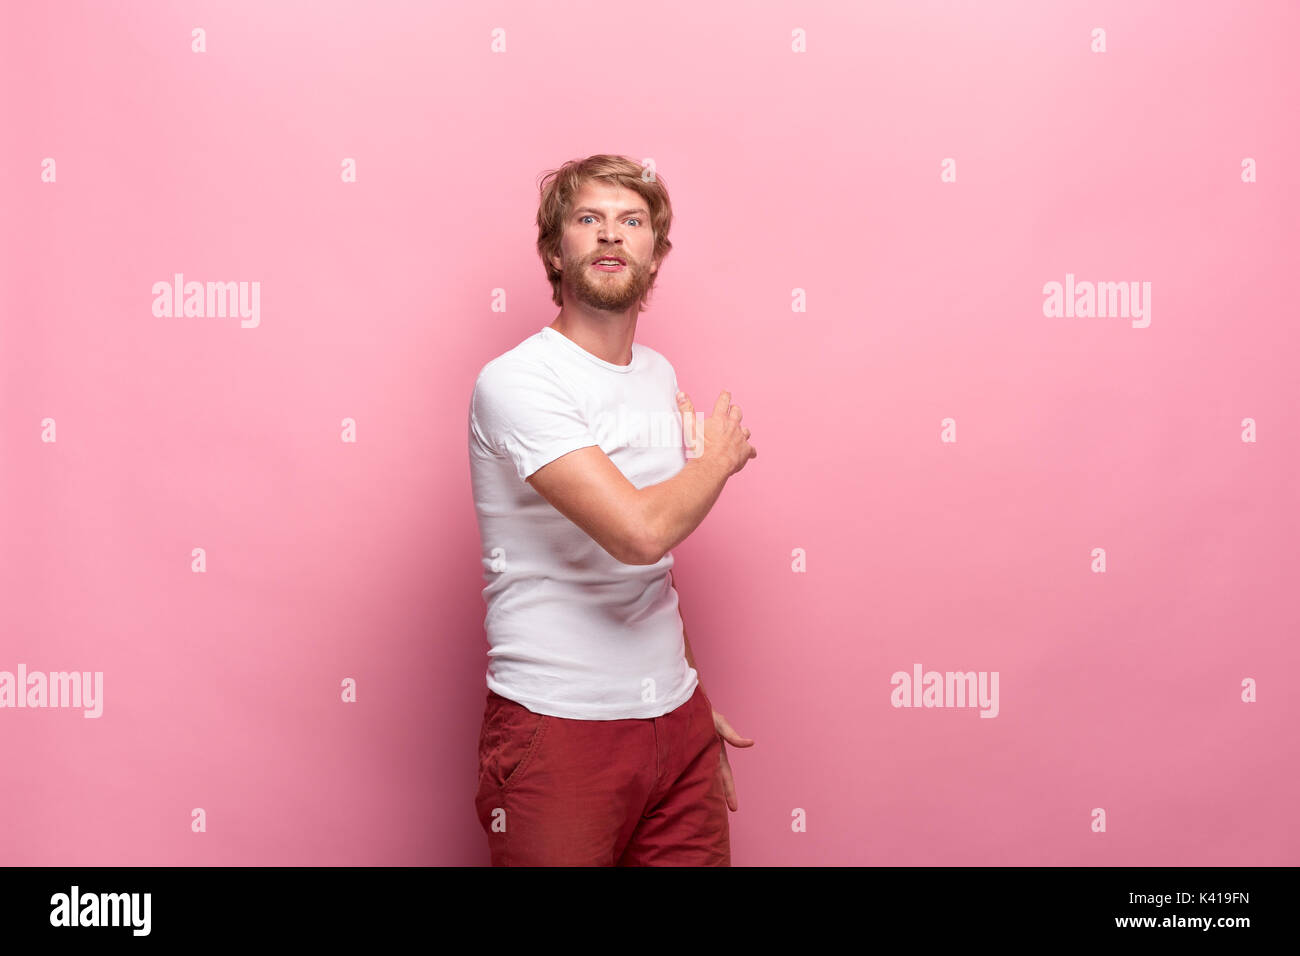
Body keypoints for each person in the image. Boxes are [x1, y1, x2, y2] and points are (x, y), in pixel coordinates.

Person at [467, 153, 757, 865]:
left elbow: (653, 567)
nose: (610, 236)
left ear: (655, 255)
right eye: (588, 220)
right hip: (559, 727)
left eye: (631, 222)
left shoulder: (657, 375)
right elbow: (637, 531)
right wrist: (715, 461)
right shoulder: (517, 381)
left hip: (675, 724)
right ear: (553, 250)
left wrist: (683, 701)